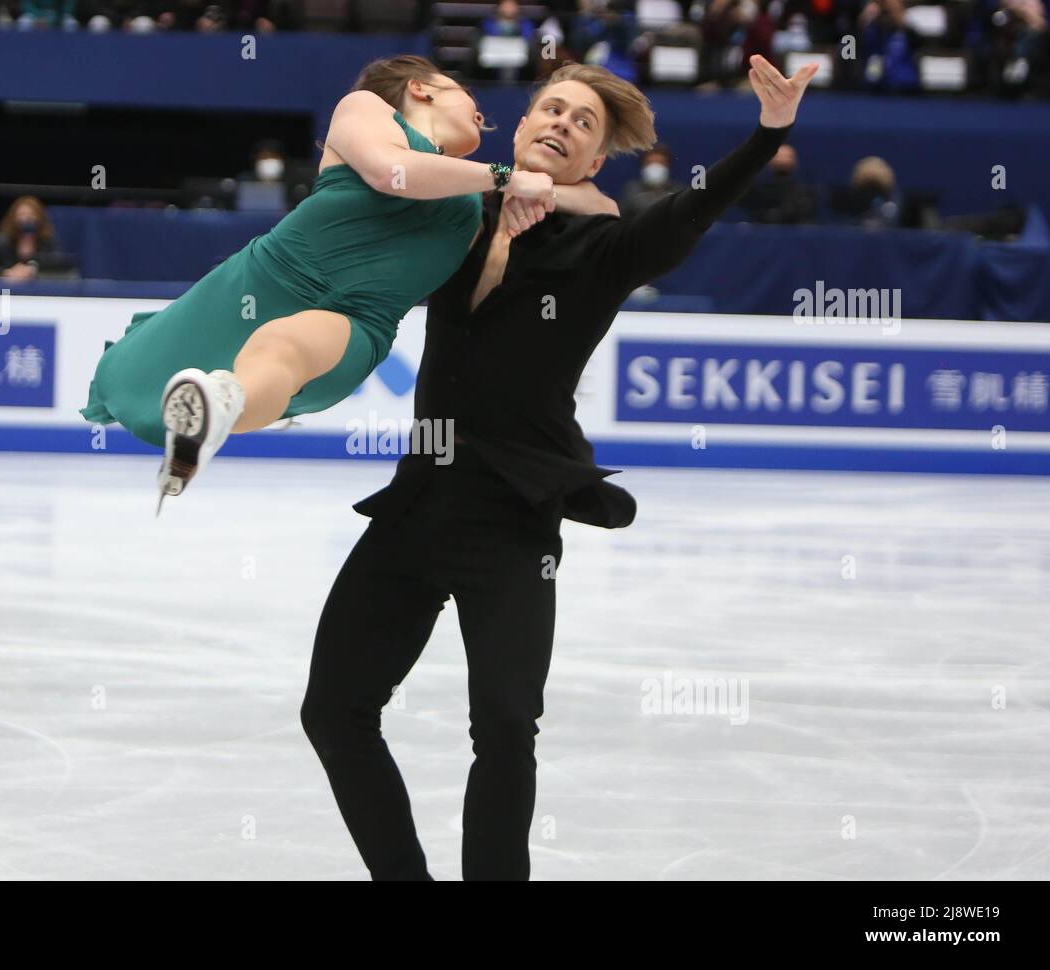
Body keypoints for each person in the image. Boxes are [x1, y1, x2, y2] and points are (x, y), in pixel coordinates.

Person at [301, 55, 816, 881]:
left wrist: (769, 133)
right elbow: (372, 179)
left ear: (596, 160)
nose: (562, 124)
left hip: (514, 519)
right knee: (334, 711)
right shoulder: (456, 211)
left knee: (506, 728)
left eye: (583, 123)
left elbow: (690, 211)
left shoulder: (606, 247)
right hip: (418, 501)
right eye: (551, 109)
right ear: (522, 126)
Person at [79, 55, 615, 513]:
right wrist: (506, 177)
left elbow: (602, 208)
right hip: (265, 283)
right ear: (422, 88)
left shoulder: (470, 204)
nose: (482, 114)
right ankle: (201, 428)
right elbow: (390, 172)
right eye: (467, 96)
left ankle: (220, 407)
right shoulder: (365, 111)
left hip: (353, 327)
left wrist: (540, 186)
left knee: (285, 343)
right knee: (239, 350)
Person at [0, 196, 62, 280]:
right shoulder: (2, 240)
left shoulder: (46, 240)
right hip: (5, 285)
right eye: (22, 214)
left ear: (39, 217)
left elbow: (58, 269)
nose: (26, 219)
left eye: (31, 215)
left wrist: (32, 270)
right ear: (13, 217)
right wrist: (7, 272)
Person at [618, 142, 684, 219]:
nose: (655, 166)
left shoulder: (679, 190)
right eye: (649, 162)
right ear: (643, 165)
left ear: (668, 165)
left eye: (660, 162)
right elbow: (622, 219)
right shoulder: (631, 190)